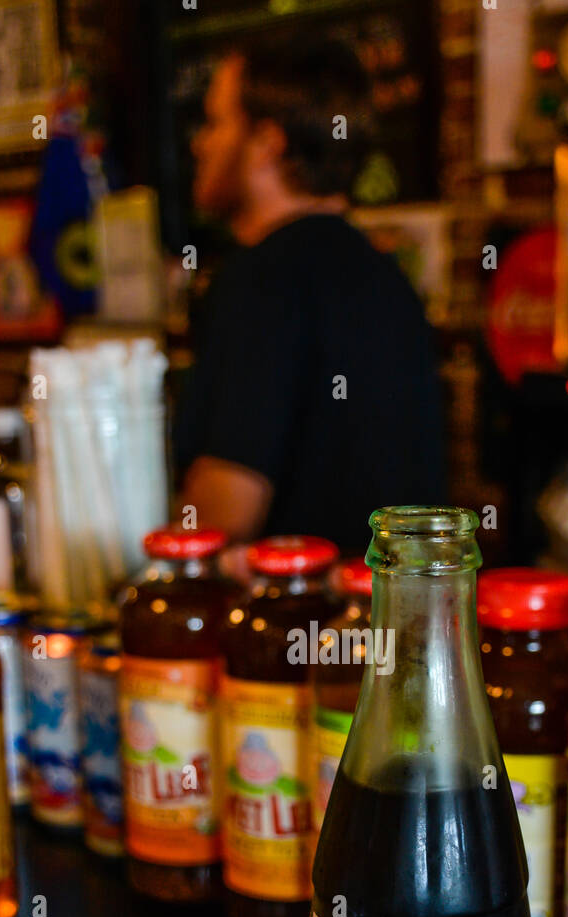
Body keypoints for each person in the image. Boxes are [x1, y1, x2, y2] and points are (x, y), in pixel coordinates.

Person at [173, 35, 445, 551]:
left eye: (214, 122)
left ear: (268, 143)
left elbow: (223, 516)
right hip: (384, 619)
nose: (199, 143)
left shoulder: (260, 279)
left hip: (291, 621)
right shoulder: (389, 278)